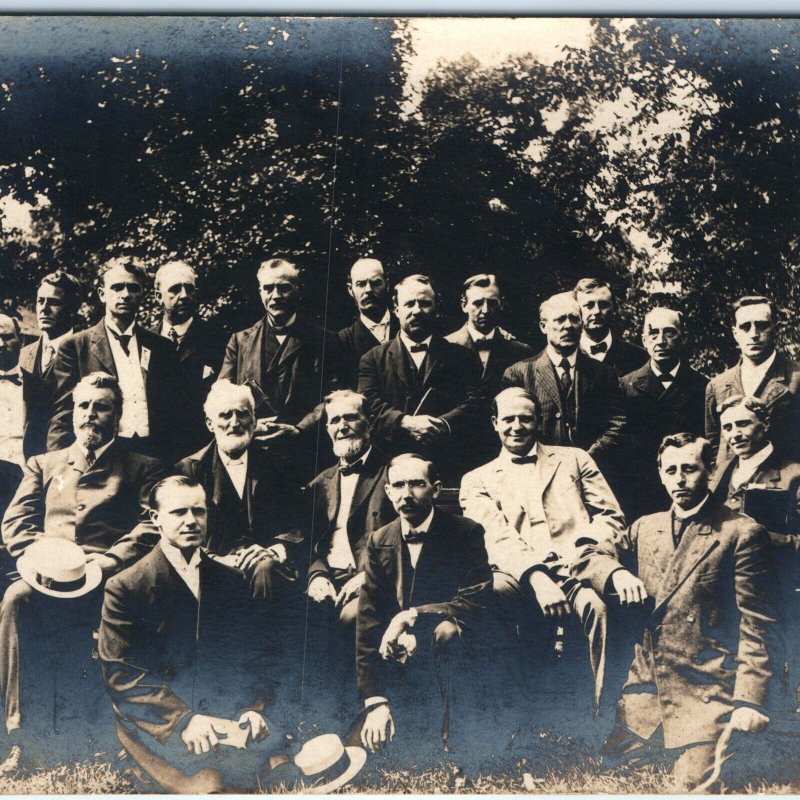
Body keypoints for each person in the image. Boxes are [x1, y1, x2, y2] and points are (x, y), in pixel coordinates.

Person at [573, 433, 778, 791]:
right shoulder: (644, 527)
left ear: (710, 470)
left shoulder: (741, 533)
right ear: (660, 473)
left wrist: (749, 701)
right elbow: (589, 557)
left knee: (692, 783)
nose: (679, 479)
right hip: (647, 689)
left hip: (706, 688)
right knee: (605, 774)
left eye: (689, 469)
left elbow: (756, 625)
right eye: (671, 470)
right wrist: (617, 572)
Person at [0, 372, 163, 769]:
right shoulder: (43, 463)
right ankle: (20, 734)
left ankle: (125, 735)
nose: (91, 415)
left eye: (102, 406)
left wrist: (109, 561)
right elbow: (14, 524)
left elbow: (151, 524)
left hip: (109, 578)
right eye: (83, 406)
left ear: (118, 415)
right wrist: (46, 556)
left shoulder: (143, 466)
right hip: (48, 576)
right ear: (73, 412)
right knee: (15, 598)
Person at [98, 476, 298, 793]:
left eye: (199, 512)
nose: (191, 521)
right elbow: (121, 674)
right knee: (210, 783)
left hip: (224, 708)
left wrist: (252, 709)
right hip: (160, 714)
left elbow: (254, 655)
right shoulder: (126, 586)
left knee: (277, 767)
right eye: (179, 512)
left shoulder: (230, 579)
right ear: (156, 519)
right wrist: (184, 720)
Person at [460, 388, 626, 712]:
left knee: (597, 608)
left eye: (525, 418)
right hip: (517, 575)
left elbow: (611, 516)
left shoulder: (575, 459)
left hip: (575, 566)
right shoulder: (477, 480)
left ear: (538, 421)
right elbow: (494, 537)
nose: (517, 426)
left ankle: (599, 716)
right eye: (508, 419)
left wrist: (581, 551)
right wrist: (537, 577)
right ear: (495, 423)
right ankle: (504, 713)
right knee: (487, 596)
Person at [355, 453, 492, 758]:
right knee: (354, 616)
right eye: (399, 485)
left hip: (458, 646)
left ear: (436, 489)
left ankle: (456, 738)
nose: (407, 494)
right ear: (388, 491)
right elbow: (369, 618)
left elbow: (476, 598)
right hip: (404, 654)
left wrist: (413, 616)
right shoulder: (380, 539)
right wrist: (375, 699)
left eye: (417, 484)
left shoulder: (466, 532)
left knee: (446, 632)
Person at [175, 380, 304, 601]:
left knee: (268, 572)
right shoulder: (189, 470)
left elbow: (297, 524)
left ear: (254, 421)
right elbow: (177, 534)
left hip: (266, 568)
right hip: (212, 565)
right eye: (225, 415)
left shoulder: (279, 466)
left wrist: (274, 549)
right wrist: (216, 559)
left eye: (242, 414)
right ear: (209, 423)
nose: (235, 423)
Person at [48, 256, 179, 460]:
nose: (125, 294)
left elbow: (173, 414)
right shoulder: (76, 346)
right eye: (117, 287)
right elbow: (63, 414)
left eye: (133, 288)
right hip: (101, 456)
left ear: (142, 294)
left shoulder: (162, 348)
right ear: (102, 294)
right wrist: (58, 468)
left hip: (153, 457)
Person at [357, 274, 484, 483]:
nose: (417, 310)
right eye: (409, 304)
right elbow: (367, 405)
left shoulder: (462, 356)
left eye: (425, 303)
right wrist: (405, 422)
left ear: (436, 309)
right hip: (390, 466)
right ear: (396, 309)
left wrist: (442, 424)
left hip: (449, 466)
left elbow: (476, 402)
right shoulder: (372, 358)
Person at [219, 258, 342, 454]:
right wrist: (249, 424)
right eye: (268, 288)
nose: (275, 295)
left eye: (283, 288)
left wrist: (299, 429)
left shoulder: (324, 340)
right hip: (254, 447)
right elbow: (222, 396)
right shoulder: (240, 341)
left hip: (306, 449)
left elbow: (336, 397)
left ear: (296, 289)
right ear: (260, 292)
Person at [502, 292, 626, 473]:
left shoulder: (604, 374)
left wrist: (586, 460)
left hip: (592, 472)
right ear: (543, 326)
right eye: (560, 320)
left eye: (574, 319)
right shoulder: (519, 374)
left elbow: (617, 422)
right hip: (536, 472)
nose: (568, 326)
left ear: (582, 324)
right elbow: (513, 428)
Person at [305, 390, 395, 630]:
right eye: (335, 420)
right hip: (328, 577)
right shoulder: (319, 483)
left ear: (370, 423)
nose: (342, 426)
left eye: (350, 418)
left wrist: (366, 576)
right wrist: (317, 575)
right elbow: (308, 541)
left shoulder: (392, 475)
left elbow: (400, 539)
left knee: (350, 617)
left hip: (371, 578)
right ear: (327, 430)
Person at [619, 307, 708, 520]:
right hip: (639, 494)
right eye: (653, 333)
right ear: (643, 340)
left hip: (686, 490)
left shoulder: (703, 386)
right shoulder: (624, 386)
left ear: (682, 338)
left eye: (669, 332)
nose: (660, 340)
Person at [446, 274, 533, 465]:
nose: (485, 310)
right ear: (464, 305)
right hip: (455, 450)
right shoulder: (444, 348)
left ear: (501, 304)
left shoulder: (519, 351)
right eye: (477, 303)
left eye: (492, 303)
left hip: (504, 451)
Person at [706, 295, 800, 463]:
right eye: (745, 327)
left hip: (785, 484)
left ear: (776, 329)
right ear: (735, 333)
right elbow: (713, 447)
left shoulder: (796, 377)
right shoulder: (717, 385)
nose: (754, 334)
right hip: (730, 486)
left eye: (762, 326)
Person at [149, 260, 226, 458]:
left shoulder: (218, 340)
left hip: (202, 453)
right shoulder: (144, 342)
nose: (184, 295)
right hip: (154, 453)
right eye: (175, 289)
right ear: (159, 297)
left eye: (189, 289)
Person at [19, 271, 82, 459]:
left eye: (54, 302)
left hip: (68, 458)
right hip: (26, 460)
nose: (44, 309)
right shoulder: (23, 355)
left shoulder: (85, 352)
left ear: (72, 308)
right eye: (41, 301)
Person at [337, 258, 398, 388]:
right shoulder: (343, 340)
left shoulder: (407, 327)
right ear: (350, 289)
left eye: (376, 283)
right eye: (361, 284)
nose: (369, 290)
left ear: (387, 285)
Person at [574, 278, 647, 377]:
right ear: (577, 310)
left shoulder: (639, 357)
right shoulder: (567, 356)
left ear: (614, 308)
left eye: (603, 304)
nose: (596, 311)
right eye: (589, 305)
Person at [0, 314, 26, 471]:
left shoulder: (39, 388)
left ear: (21, 340)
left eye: (7, 337)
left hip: (27, 478)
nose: (1, 344)